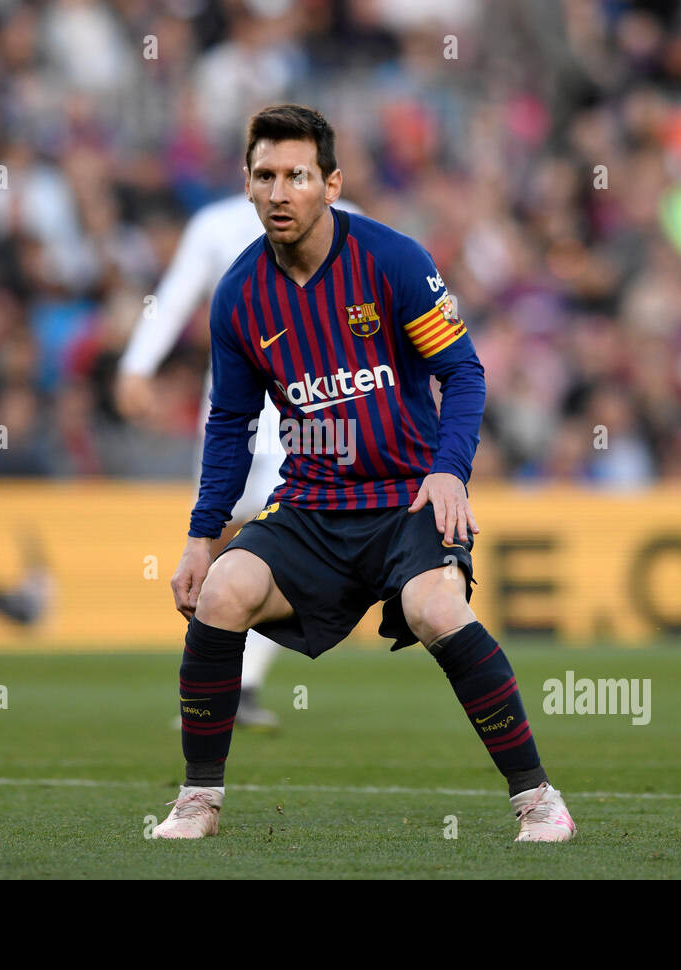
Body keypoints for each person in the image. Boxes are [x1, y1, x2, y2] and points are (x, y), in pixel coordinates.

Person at [152, 104, 575, 843]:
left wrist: (451, 472)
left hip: (407, 499)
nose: (280, 192)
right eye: (265, 176)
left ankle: (539, 800)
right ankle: (197, 803)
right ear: (246, 187)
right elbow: (229, 425)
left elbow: (464, 372)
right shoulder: (239, 297)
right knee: (221, 592)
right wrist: (200, 536)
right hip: (311, 508)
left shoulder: (393, 260)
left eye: (297, 176)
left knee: (438, 610)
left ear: (331, 183)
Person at [118, 192, 359, 730]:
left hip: (315, 416)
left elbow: (410, 307)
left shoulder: (357, 227)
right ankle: (216, 678)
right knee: (215, 536)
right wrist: (137, 365)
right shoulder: (216, 223)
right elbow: (175, 296)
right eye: (267, 166)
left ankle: (241, 683)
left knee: (283, 536)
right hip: (231, 414)